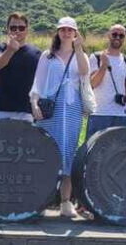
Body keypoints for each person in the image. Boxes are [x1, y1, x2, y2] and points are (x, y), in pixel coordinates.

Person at [30, 17, 89, 218]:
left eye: (70, 30)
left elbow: (84, 73)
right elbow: (37, 82)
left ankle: (65, 201)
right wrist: (34, 103)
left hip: (72, 108)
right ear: (58, 32)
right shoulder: (48, 56)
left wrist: (79, 49)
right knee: (46, 152)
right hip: (50, 109)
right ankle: (41, 200)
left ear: (75, 33)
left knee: (68, 152)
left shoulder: (80, 55)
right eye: (62, 30)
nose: (66, 33)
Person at [86, 24, 126, 139]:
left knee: (117, 153)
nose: (118, 38)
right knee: (94, 153)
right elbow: (92, 84)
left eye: (121, 35)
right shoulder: (96, 57)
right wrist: (103, 66)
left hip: (121, 115)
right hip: (99, 113)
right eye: (114, 34)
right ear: (108, 36)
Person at [0, 12, 41, 122]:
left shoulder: (36, 53)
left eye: (21, 28)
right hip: (1, 110)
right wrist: (10, 50)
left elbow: (40, 81)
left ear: (27, 30)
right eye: (13, 28)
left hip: (26, 111)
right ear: (7, 29)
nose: (17, 31)